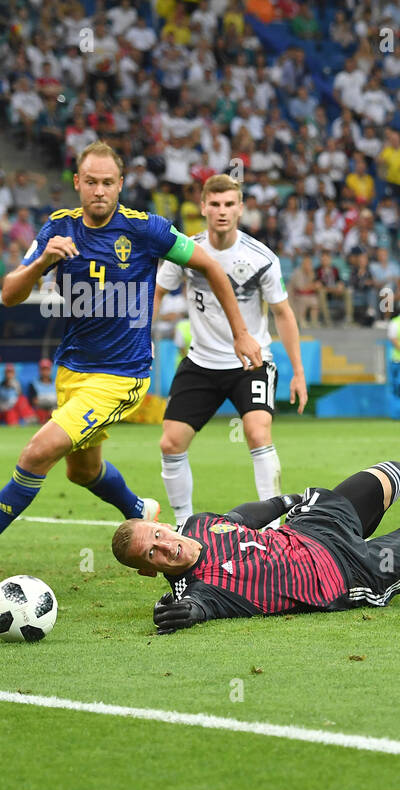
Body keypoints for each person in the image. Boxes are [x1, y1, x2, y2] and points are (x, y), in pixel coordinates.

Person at [0, 142, 262, 586]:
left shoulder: (147, 230)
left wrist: (241, 332)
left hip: (123, 376)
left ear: (120, 185)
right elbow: (10, 293)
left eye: (109, 183)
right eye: (92, 182)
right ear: (77, 183)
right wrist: (44, 262)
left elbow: (212, 268)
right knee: (81, 471)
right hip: (73, 372)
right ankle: (137, 510)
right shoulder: (58, 229)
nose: (100, 191)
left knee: (37, 453)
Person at [112, 444, 400, 630]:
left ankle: (358, 526)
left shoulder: (196, 524)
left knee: (393, 472)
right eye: (153, 554)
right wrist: (185, 615)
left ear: (162, 523)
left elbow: (241, 517)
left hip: (313, 527)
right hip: (347, 574)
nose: (165, 546)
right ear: (148, 572)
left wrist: (290, 500)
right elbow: (198, 608)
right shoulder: (196, 591)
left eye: (158, 535)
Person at [153, 174, 306, 527]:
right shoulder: (184, 251)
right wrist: (143, 337)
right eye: (215, 204)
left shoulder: (260, 258)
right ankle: (184, 525)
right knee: (170, 443)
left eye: (229, 205)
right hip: (201, 361)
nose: (222, 212)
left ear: (240, 209)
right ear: (203, 207)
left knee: (257, 431)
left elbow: (283, 313)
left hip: (251, 362)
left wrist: (297, 372)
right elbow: (158, 292)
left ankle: (272, 529)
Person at [26, 358, 58, 423]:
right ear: (39, 370)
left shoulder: (57, 384)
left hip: (54, 411)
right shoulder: (33, 384)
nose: (45, 372)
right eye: (43, 369)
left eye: (47, 369)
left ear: (50, 370)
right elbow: (34, 401)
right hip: (40, 411)